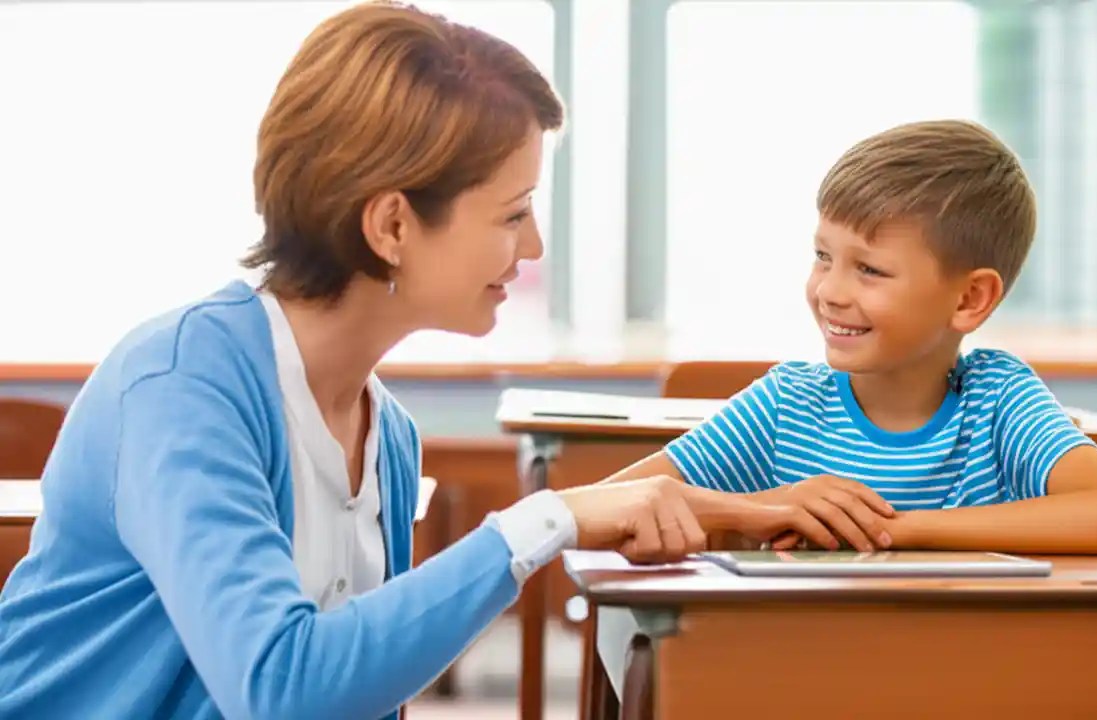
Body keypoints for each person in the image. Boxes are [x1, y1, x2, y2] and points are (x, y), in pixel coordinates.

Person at [0, 4, 822, 718]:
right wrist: (548, 520)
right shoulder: (183, 387)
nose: (532, 246)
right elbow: (281, 689)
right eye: (512, 213)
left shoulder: (385, 433)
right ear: (392, 225)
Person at [604, 119, 1097, 555]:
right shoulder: (786, 406)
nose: (830, 291)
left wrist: (897, 529)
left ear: (969, 300)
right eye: (823, 257)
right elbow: (609, 505)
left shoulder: (998, 400)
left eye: (869, 269)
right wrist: (764, 509)